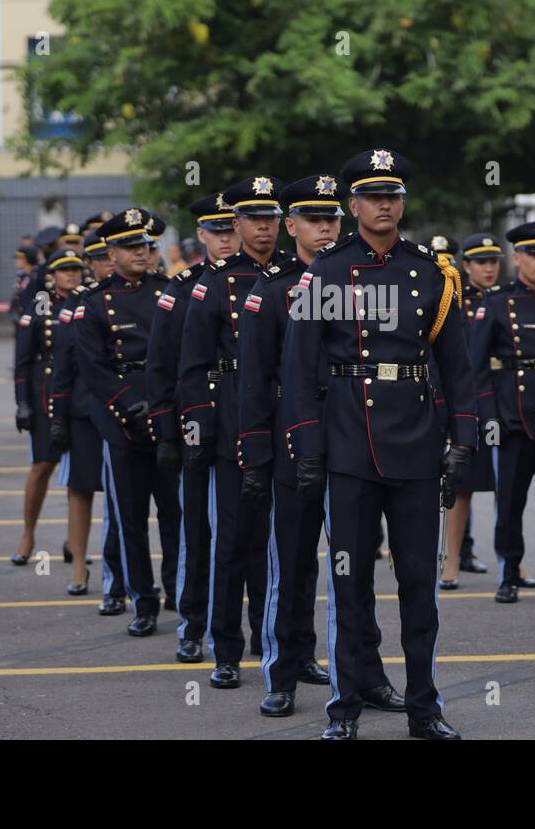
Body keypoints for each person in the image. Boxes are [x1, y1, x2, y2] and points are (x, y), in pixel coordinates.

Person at [282, 147, 475, 740]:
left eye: (393, 195)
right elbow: (298, 372)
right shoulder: (326, 273)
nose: (384, 204)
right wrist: (308, 448)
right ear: (353, 205)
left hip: (416, 442)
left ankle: (424, 707)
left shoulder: (431, 271)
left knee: (419, 584)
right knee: (350, 583)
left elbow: (458, 367)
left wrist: (463, 441)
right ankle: (344, 709)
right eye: (372, 196)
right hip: (348, 444)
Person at [237, 174, 400, 718]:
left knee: (356, 568)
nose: (325, 227)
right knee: (294, 563)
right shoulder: (274, 289)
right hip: (292, 441)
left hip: (357, 437)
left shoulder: (362, 279)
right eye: (312, 219)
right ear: (291, 226)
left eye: (331, 217)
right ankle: (282, 673)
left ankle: (368, 675)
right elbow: (255, 381)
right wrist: (257, 454)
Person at [178, 177, 290, 688]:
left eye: (271, 217)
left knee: (283, 545)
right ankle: (226, 648)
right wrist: (198, 423)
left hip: (288, 418)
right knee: (233, 542)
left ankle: (281, 643)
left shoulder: (298, 276)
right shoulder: (215, 280)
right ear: (238, 225)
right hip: (231, 420)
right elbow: (194, 362)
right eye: (253, 218)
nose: (263, 226)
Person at [145, 194, 240, 663]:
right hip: (197, 423)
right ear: (201, 235)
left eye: (231, 228)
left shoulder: (257, 280)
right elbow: (161, 366)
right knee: (196, 530)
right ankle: (192, 624)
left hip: (246, 422)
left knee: (247, 533)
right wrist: (165, 431)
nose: (225, 237)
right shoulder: (182, 289)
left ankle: (252, 629)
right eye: (216, 230)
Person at [74, 210, 173, 636]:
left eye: (146, 246)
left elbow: (183, 355)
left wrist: (165, 405)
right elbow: (93, 367)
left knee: (176, 515)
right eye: (131, 246)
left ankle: (181, 593)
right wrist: (129, 405)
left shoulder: (171, 294)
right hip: (124, 418)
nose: (141, 253)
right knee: (130, 518)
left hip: (167, 409)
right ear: (110, 253)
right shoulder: (94, 303)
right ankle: (143, 600)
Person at [469, 221, 535, 604]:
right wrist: (489, 416)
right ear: (518, 258)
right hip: (511, 414)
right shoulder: (496, 302)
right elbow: (478, 368)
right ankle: (509, 573)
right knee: (510, 501)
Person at [11, 247, 86, 589]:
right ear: (52, 275)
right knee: (42, 465)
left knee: (77, 475)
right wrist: (22, 403)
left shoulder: (90, 299)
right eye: (65, 270)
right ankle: (28, 533)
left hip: (79, 396)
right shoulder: (41, 303)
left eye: (76, 269)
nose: (72, 275)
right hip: (45, 394)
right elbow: (24, 359)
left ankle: (75, 544)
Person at [47, 235, 109, 610]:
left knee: (124, 498)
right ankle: (79, 568)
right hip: (85, 410)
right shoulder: (78, 302)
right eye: (100, 259)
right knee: (81, 489)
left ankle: (121, 572)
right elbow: (63, 364)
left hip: (126, 410)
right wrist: (57, 415)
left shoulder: (144, 293)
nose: (107, 264)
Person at [441, 232, 502, 588]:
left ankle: (512, 562)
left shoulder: (504, 301)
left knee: (503, 485)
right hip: (464, 400)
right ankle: (450, 559)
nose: (489, 268)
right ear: (467, 266)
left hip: (500, 400)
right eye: (481, 262)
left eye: (493, 261)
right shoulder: (456, 303)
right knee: (459, 486)